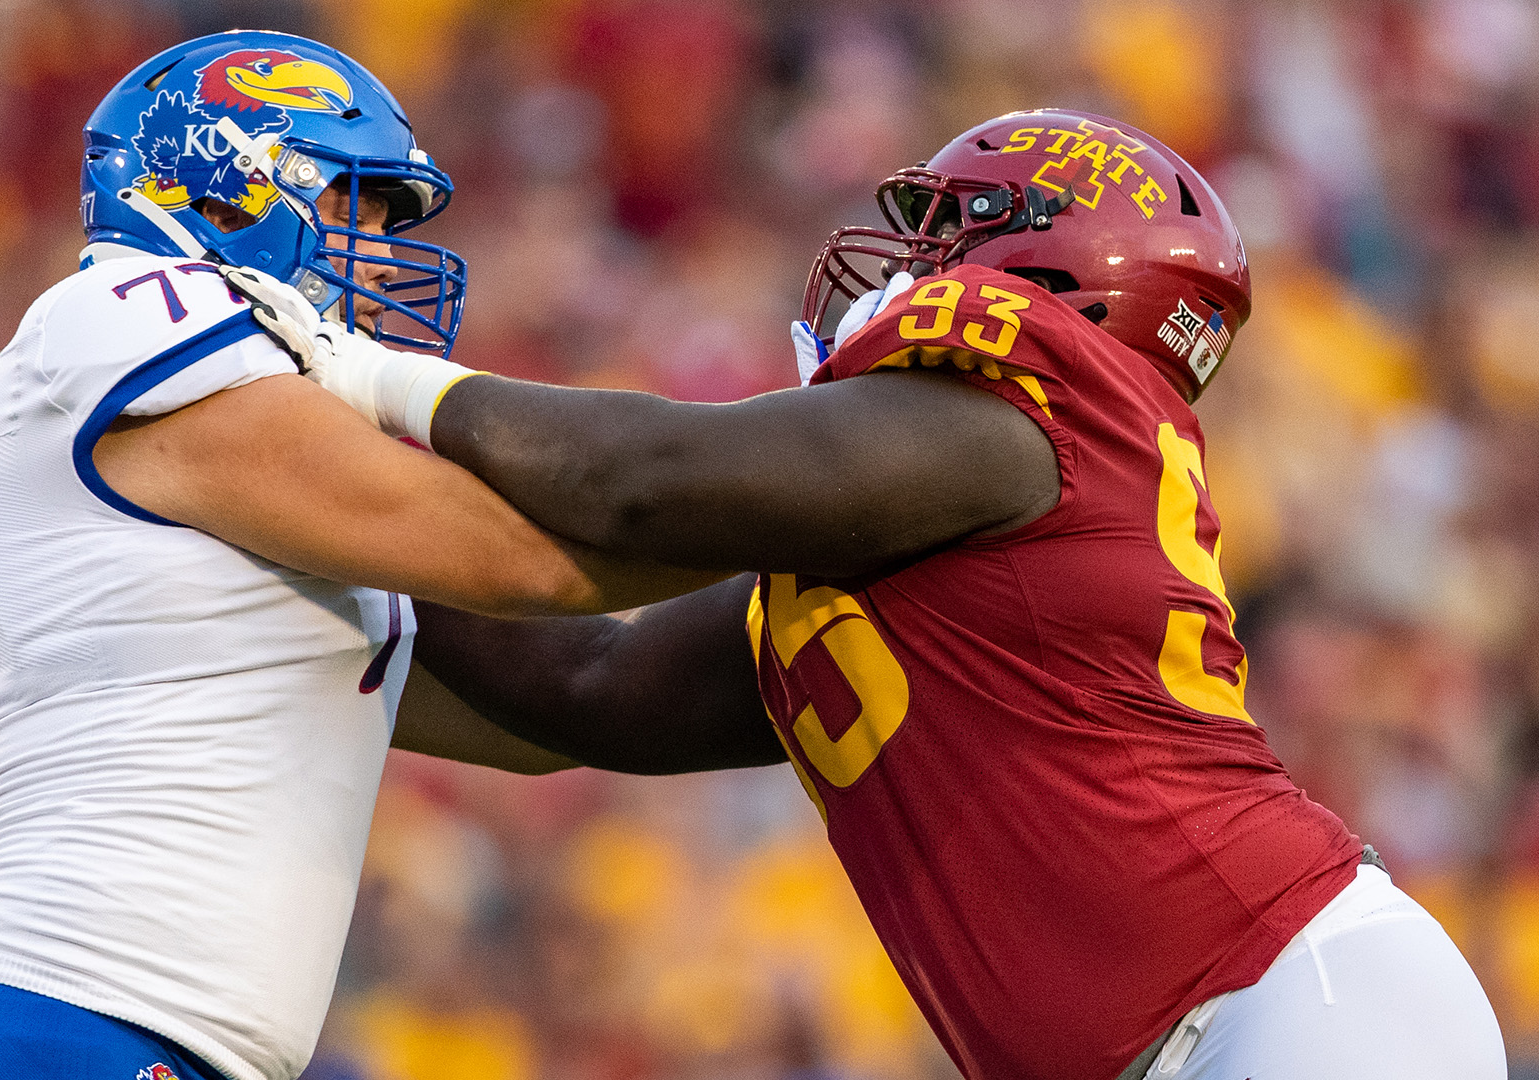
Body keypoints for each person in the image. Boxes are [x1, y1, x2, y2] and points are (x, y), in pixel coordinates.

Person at [255, 110, 1508, 1079]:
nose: (903, 258)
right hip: (1230, 1015)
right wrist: (290, 537)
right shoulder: (961, 543)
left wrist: (342, 376)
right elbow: (588, 687)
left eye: (942, 227)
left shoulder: (1013, 430)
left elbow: (637, 484)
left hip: (1288, 995)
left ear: (1042, 263)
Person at [0, 31, 706, 1080]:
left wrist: (883, 580)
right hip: (75, 1029)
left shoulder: (232, 524)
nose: (375, 248)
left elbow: (571, 691)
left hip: (109, 1037)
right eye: (353, 203)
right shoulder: (116, 317)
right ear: (220, 181)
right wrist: (828, 496)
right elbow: (529, 560)